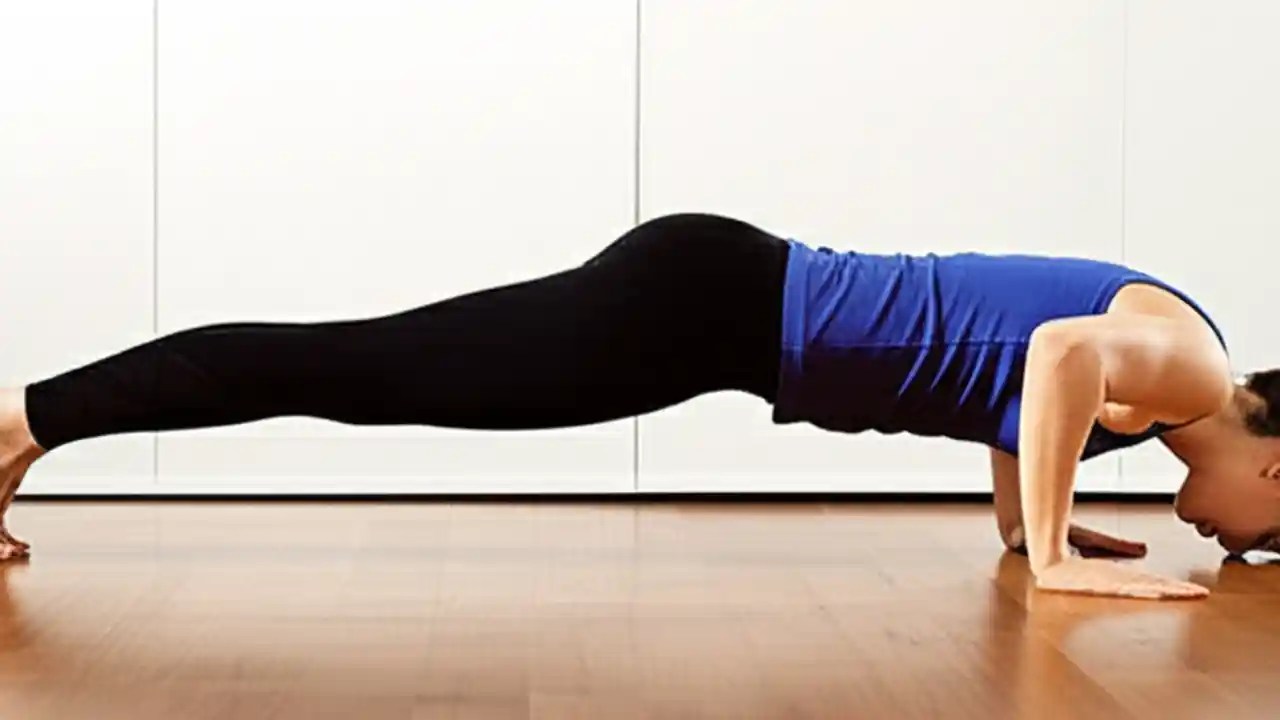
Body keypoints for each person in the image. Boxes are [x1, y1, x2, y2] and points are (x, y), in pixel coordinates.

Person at [0, 213, 1274, 599]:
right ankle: (22, 420)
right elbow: (1049, 352)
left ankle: (24, 424)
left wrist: (1020, 527)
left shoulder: (1169, 374)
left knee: (364, 368)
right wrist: (1053, 557)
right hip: (709, 311)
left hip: (717, 298)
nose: (1234, 541)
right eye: (1264, 532)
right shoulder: (1197, 374)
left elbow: (1003, 365)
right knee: (361, 368)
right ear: (1276, 470)